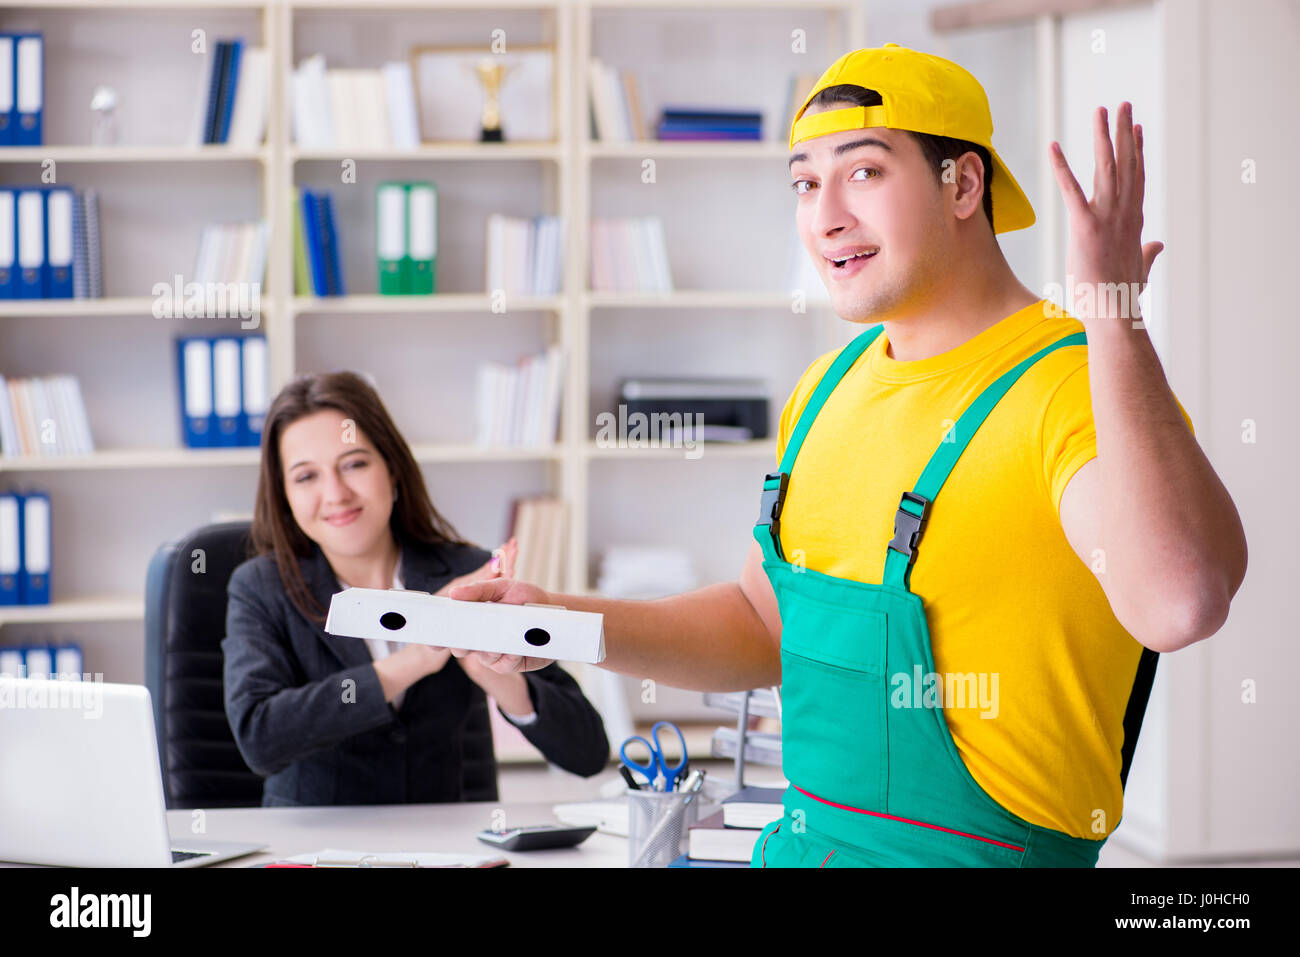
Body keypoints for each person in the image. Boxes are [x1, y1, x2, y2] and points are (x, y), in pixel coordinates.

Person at [446, 44, 1248, 866]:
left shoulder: (1071, 384)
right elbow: (763, 626)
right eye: (804, 182)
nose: (824, 216)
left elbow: (1182, 602)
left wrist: (1114, 312)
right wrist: (551, 621)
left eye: (863, 173)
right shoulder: (826, 389)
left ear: (963, 185)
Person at [221, 371, 609, 807]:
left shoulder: (465, 574)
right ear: (285, 496)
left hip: (445, 846)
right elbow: (260, 738)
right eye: (306, 476)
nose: (335, 493)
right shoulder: (260, 588)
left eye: (354, 464)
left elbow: (588, 752)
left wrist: (497, 672)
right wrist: (416, 658)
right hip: (312, 845)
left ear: (392, 470)